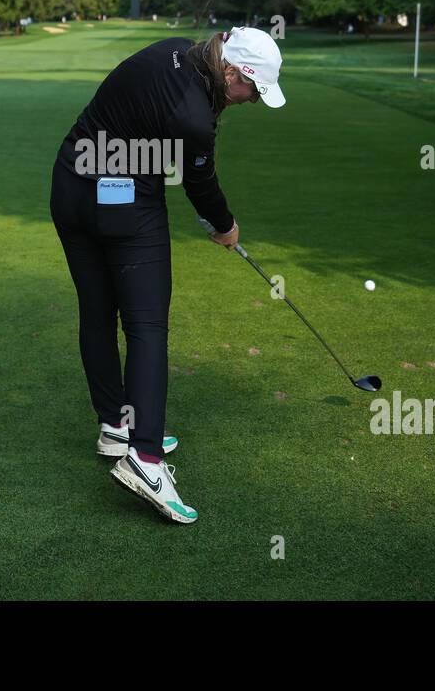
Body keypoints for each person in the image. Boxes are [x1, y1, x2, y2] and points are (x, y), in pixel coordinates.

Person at [50, 26, 285, 525]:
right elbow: (200, 184)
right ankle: (146, 458)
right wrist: (225, 227)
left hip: (70, 184)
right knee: (148, 325)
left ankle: (116, 424)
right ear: (231, 73)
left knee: (97, 311)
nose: (252, 101)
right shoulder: (195, 117)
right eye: (253, 90)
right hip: (120, 201)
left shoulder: (173, 49)